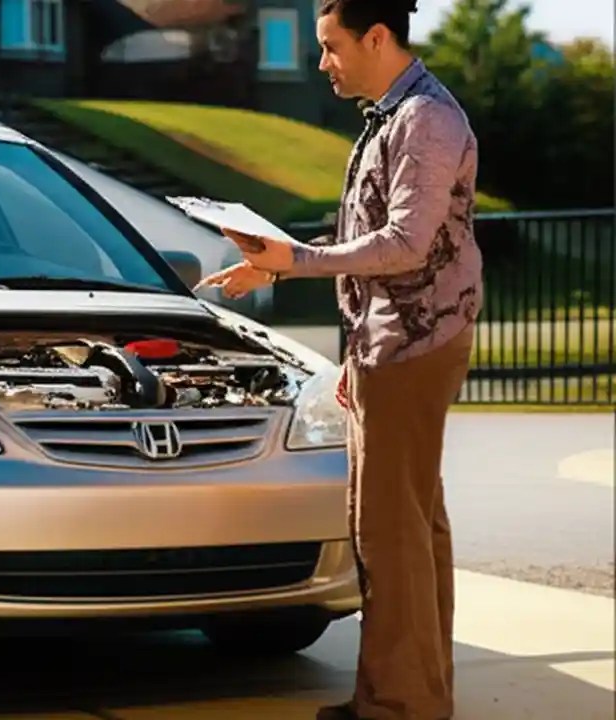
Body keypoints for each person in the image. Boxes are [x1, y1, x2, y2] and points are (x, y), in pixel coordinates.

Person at [196, 1, 483, 718]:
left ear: (376, 37)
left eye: (330, 47)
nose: (321, 62)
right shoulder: (397, 114)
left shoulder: (425, 120)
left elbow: (405, 244)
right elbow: (378, 238)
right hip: (389, 342)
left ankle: (399, 706)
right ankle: (411, 697)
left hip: (416, 343)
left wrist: (297, 260)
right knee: (408, 526)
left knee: (390, 531)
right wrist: (276, 269)